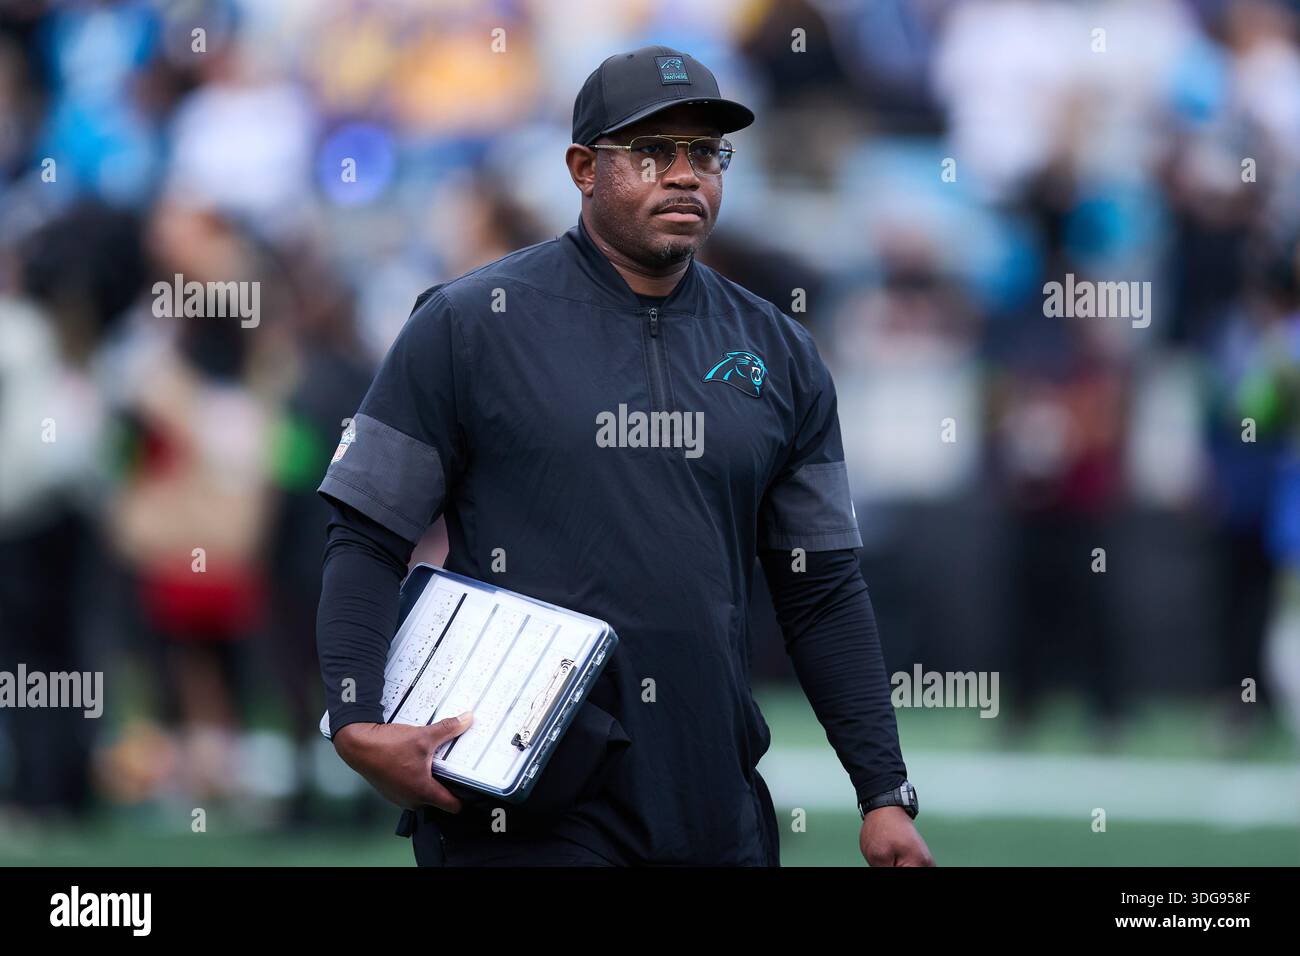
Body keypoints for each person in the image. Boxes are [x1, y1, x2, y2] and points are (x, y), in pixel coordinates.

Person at [316, 46, 933, 867]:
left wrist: (883, 793)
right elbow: (365, 533)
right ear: (582, 167)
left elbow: (820, 590)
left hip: (711, 789)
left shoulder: (780, 351)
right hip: (522, 794)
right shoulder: (469, 323)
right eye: (652, 151)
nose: (686, 175)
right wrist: (356, 720)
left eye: (706, 153)